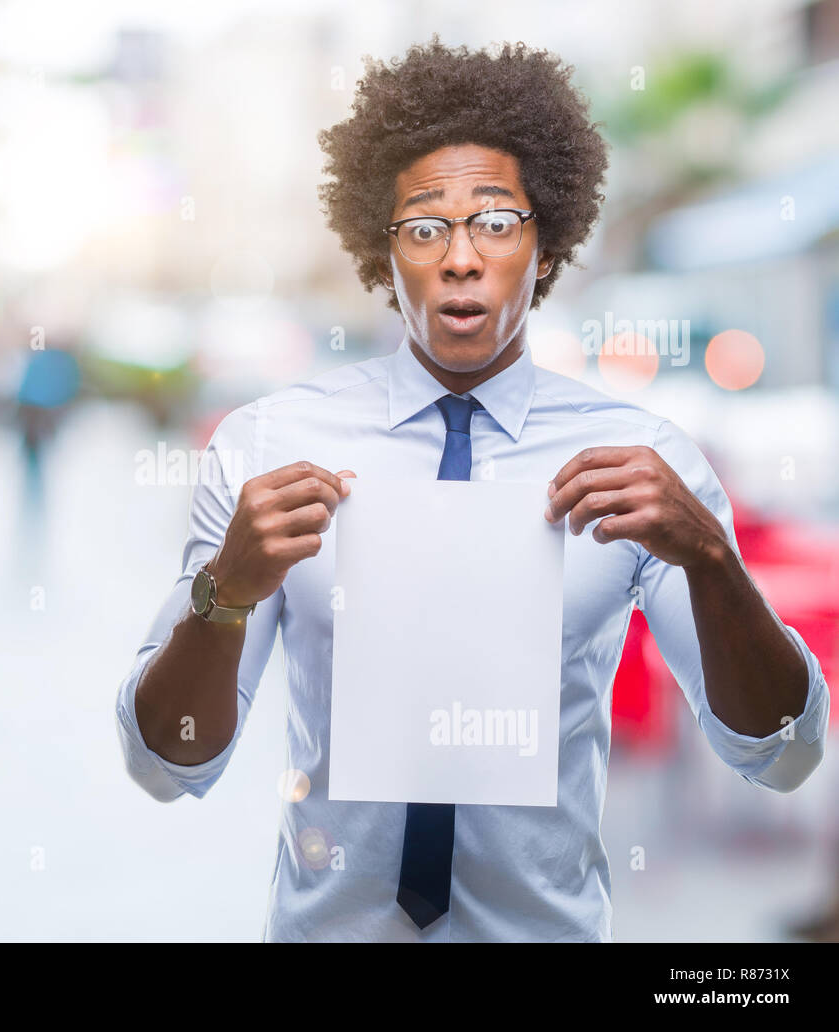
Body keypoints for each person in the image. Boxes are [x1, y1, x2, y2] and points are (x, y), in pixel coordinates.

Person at [113, 37, 830, 942]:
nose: (461, 257)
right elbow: (166, 764)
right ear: (385, 252)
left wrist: (715, 564)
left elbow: (784, 755)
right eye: (424, 227)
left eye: (496, 222)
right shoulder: (268, 446)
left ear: (547, 239)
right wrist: (224, 594)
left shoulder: (644, 459)